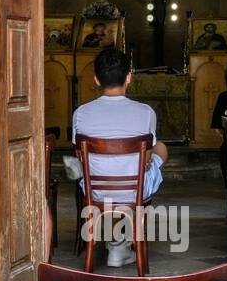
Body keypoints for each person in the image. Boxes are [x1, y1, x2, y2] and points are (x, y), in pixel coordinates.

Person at [72, 46, 168, 268]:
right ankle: (120, 244)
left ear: (96, 80)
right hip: (134, 190)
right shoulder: (146, 112)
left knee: (97, 167)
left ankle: (116, 243)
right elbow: (149, 156)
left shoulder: (81, 113)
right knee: (160, 149)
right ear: (129, 77)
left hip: (95, 190)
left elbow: (79, 155)